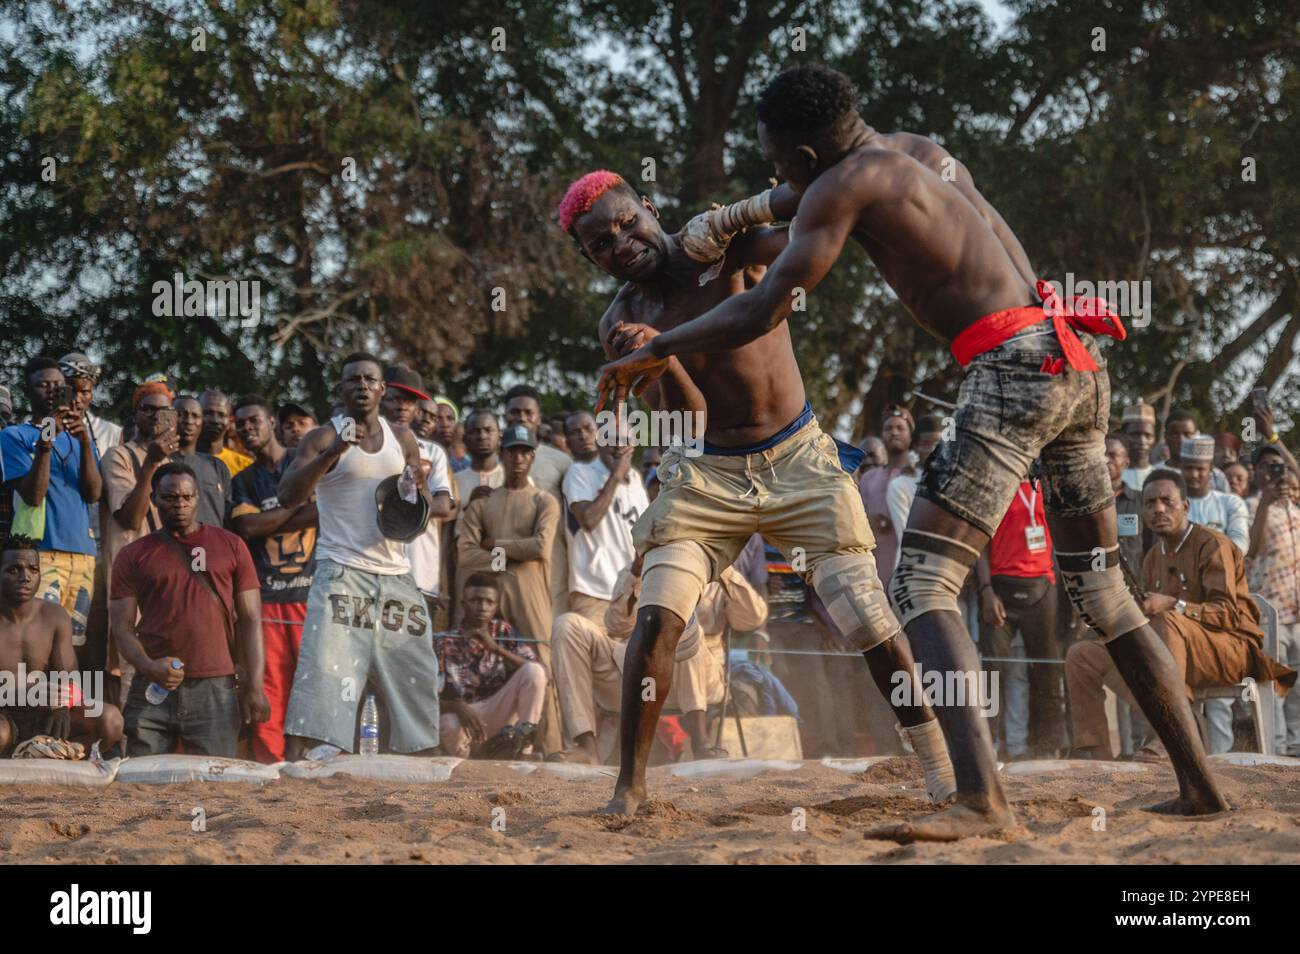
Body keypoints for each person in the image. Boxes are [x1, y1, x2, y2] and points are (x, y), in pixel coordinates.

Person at [596, 63, 1226, 830]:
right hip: (1072, 357)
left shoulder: (836, 189)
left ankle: (979, 799)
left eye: (776, 161)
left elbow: (766, 305)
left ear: (797, 157)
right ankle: (1201, 786)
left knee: (922, 587)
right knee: (1103, 592)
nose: (778, 176)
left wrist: (656, 344)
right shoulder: (915, 151)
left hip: (1011, 371)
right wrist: (727, 218)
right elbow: (796, 204)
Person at [568, 160, 956, 817]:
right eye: (600, 244)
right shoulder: (622, 320)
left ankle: (944, 772)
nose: (620, 245)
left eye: (627, 225)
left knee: (866, 617)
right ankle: (629, 789)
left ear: (651, 210)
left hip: (799, 454)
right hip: (706, 470)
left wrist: (740, 212)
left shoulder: (729, 251)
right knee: (658, 614)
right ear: (590, 257)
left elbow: (818, 229)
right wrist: (660, 354)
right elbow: (685, 421)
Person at [277, 353, 447, 757]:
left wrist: (412, 491)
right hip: (340, 570)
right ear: (341, 388)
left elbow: (419, 515)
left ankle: (413, 762)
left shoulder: (402, 438)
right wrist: (332, 453)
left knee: (414, 672)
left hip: (395, 573)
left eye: (370, 379)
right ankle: (318, 761)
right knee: (326, 673)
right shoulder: (320, 436)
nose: (362, 386)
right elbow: (287, 496)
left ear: (382, 389)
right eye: (352, 379)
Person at [1065, 469, 1296, 758]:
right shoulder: (1152, 558)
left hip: (1230, 650)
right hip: (1173, 654)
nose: (1158, 509)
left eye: (1167, 501)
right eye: (1150, 503)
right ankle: (1094, 749)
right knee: (1083, 655)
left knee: (1166, 621)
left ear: (1185, 506)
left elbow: (1230, 614)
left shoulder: (1213, 544)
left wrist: (1174, 604)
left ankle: (1170, 733)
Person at [110, 463, 269, 756]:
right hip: (153, 684)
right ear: (154, 499)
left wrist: (255, 687)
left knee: (215, 783)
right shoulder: (133, 554)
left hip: (215, 685)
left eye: (187, 497)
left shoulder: (231, 545)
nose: (180, 505)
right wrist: (149, 667)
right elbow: (121, 627)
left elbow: (250, 619)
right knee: (144, 782)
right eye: (170, 498)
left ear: (197, 497)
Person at [551, 555, 767, 764]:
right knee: (567, 625)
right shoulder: (641, 569)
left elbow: (753, 618)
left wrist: (720, 566)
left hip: (700, 679)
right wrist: (636, 574)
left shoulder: (715, 574)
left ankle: (700, 743)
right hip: (638, 677)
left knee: (679, 621)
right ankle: (586, 747)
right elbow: (616, 626)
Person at [455, 424, 561, 753]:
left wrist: (495, 544)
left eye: (524, 452)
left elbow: (540, 547)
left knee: (540, 661)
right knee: (472, 652)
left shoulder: (545, 501)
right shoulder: (484, 503)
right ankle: (477, 743)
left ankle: (550, 745)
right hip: (487, 593)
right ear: (502, 454)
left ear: (533, 457)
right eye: (511, 451)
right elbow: (467, 552)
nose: (518, 457)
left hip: (529, 594)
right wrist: (506, 558)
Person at [230, 395, 318, 763]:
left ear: (272, 423)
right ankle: (271, 764)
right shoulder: (245, 480)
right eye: (242, 424)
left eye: (255, 420)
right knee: (269, 684)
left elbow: (325, 512)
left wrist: (275, 518)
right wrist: (298, 508)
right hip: (266, 596)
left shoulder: (305, 468)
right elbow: (246, 527)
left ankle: (313, 760)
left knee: (314, 683)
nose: (248, 428)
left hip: (310, 594)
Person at [0, 357, 101, 652]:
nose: (52, 391)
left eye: (58, 385)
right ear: (28, 391)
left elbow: (93, 494)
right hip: (40, 553)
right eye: (43, 385)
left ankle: (63, 698)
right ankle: (31, 698)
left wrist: (84, 444)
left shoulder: (79, 437)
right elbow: (33, 494)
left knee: (72, 642)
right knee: (37, 640)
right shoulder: (14, 436)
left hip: (83, 553)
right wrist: (46, 439)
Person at [0, 534, 122, 757]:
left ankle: (58, 754)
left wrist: (62, 704)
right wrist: (26, 691)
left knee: (110, 719)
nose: (25, 577)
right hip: (4, 715)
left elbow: (70, 675)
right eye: (13, 570)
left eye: (33, 569)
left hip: (44, 713)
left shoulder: (53, 615)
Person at [974, 475, 1066, 759]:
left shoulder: (1047, 486)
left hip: (1042, 586)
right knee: (991, 671)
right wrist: (986, 590)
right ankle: (988, 747)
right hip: (1000, 590)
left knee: (1047, 670)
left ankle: (1046, 747)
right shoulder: (993, 487)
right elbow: (979, 544)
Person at [435, 573, 548, 758]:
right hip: (467, 715)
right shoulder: (447, 641)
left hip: (499, 711)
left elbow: (543, 673)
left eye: (489, 602)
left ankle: (523, 750)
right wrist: (457, 707)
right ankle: (468, 761)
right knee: (448, 723)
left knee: (534, 671)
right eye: (475, 601)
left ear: (496, 606)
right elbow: (432, 700)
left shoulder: (503, 631)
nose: (482, 607)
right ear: (463, 604)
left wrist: (495, 648)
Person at [561, 414, 649, 627]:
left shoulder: (637, 480)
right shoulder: (580, 472)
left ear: (634, 444)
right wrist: (616, 476)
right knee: (595, 659)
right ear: (599, 443)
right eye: (609, 439)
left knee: (628, 660)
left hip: (632, 592)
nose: (617, 445)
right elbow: (588, 520)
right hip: (594, 592)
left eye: (624, 440)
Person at [504, 384, 573, 623]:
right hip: (507, 556)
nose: (521, 418)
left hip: (551, 559)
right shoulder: (495, 458)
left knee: (551, 627)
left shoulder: (560, 461)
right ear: (505, 416)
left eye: (528, 413)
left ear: (538, 418)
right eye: (515, 412)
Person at [1246, 461, 1300, 754]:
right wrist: (1266, 501)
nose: (1283, 482)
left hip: (1298, 611)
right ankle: (1276, 749)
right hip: (1272, 610)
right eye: (1273, 472)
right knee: (1275, 685)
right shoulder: (1253, 505)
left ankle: (1296, 745)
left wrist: (1277, 440)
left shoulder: (1297, 510)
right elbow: (1251, 549)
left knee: (1298, 686)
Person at [858, 404, 914, 585]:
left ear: (910, 435)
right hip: (873, 569)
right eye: (888, 428)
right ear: (882, 435)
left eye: (900, 428)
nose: (894, 432)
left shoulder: (918, 476)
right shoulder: (868, 478)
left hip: (908, 569)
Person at [884, 415, 945, 569]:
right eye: (926, 444)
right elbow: (908, 537)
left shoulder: (956, 484)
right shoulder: (900, 486)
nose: (933, 450)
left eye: (938, 444)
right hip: (912, 572)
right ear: (916, 447)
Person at [1180, 435, 1249, 555]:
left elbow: (1240, 543)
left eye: (1200, 469)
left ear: (1211, 469)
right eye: (1188, 468)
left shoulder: (1231, 502)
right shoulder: (1171, 504)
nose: (1194, 475)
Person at [171, 394, 233, 528]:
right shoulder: (159, 461)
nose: (189, 421)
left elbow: (228, 516)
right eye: (182, 414)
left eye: (195, 416)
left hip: (212, 545)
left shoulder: (217, 466)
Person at [198, 389, 252, 477]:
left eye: (221, 415)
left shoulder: (245, 467)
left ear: (230, 421)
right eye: (208, 413)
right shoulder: (178, 460)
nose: (215, 420)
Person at [1119, 400, 1156, 491]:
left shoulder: (1160, 475)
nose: (1142, 441)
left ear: (1154, 438)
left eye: (1148, 436)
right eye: (1135, 435)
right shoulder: (1114, 476)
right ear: (1123, 436)